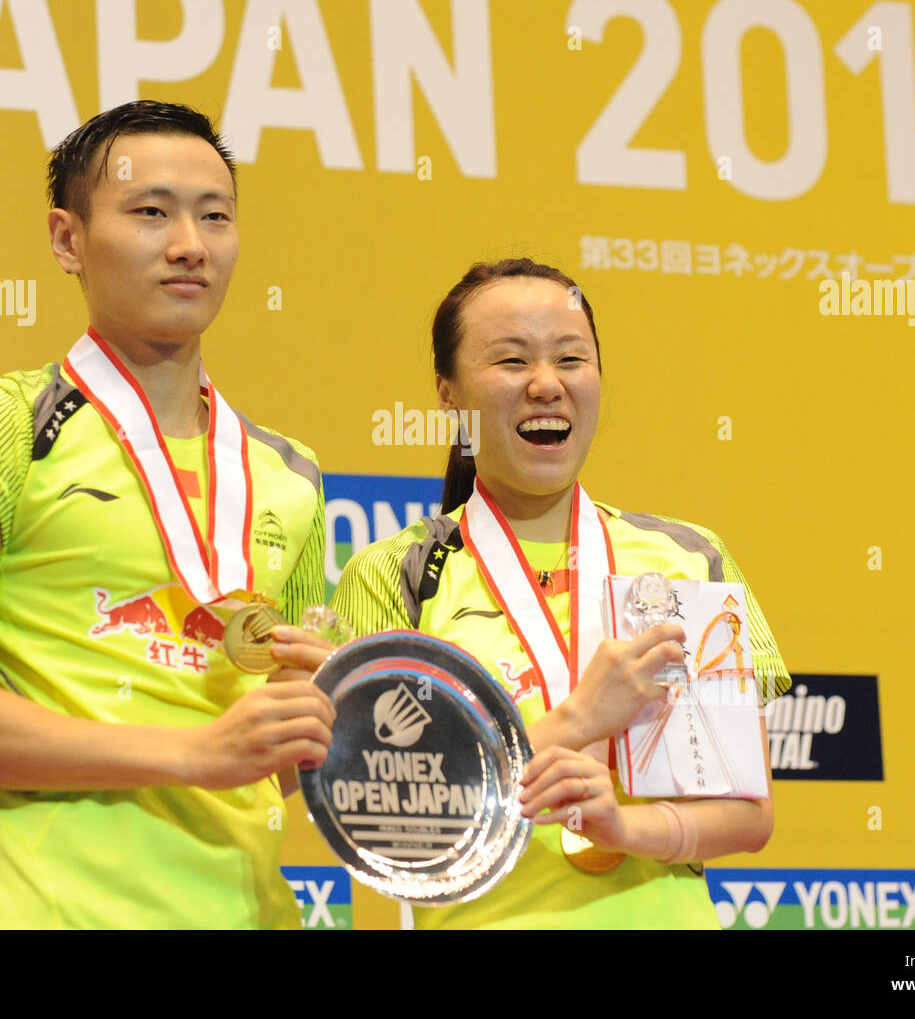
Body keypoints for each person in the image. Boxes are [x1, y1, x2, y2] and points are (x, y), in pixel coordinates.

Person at [0, 100, 336, 929]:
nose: (190, 243)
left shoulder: (289, 474)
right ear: (67, 239)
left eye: (215, 216)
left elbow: (278, 776)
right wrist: (195, 753)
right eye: (151, 211)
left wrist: (319, 705)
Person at [331, 258, 790, 928]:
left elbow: (750, 815)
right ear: (447, 394)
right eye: (511, 361)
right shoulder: (393, 574)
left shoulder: (688, 558)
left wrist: (623, 828)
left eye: (571, 358)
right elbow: (389, 823)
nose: (546, 384)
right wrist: (574, 723)